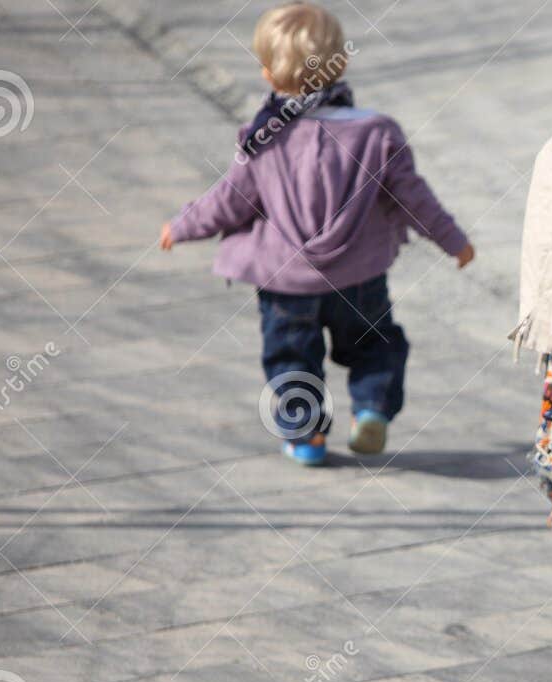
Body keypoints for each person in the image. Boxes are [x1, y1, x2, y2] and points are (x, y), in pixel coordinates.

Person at [158, 3, 473, 465]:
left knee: (291, 358)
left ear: (267, 74)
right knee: (375, 344)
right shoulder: (376, 132)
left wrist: (181, 225)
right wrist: (454, 241)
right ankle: (370, 409)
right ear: (340, 63)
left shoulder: (264, 138)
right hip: (359, 278)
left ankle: (306, 438)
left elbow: (228, 201)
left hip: (286, 284)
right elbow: (413, 197)